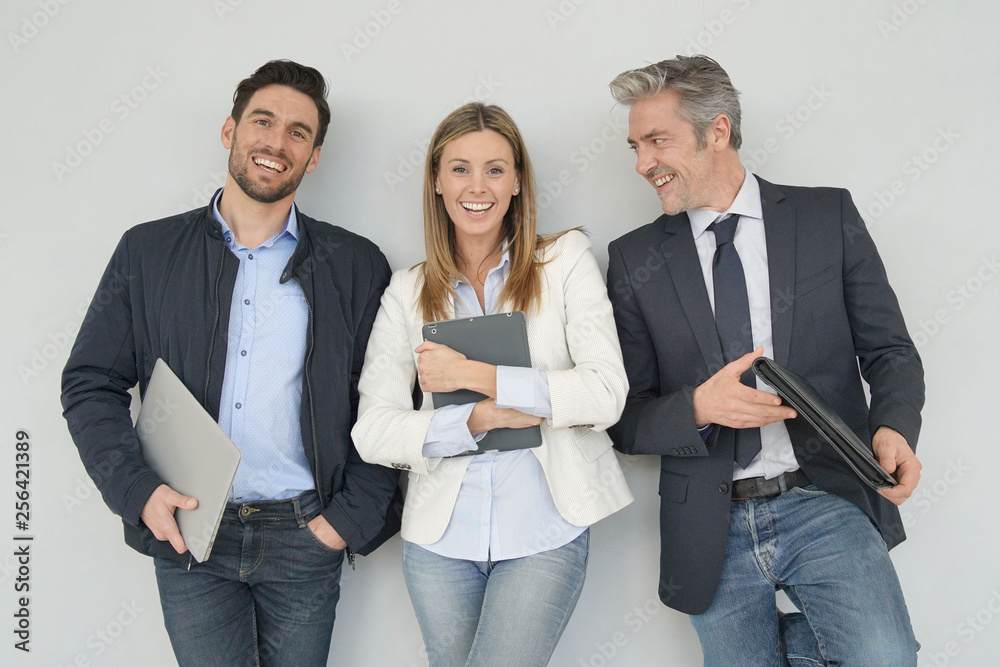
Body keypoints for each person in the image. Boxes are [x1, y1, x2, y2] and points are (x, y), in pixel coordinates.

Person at [61, 60, 401, 667]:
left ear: (314, 156)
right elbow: (90, 382)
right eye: (263, 122)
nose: (277, 142)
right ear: (230, 130)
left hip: (307, 534)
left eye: (299, 132)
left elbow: (391, 401)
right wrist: (138, 492)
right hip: (190, 534)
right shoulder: (148, 251)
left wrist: (347, 520)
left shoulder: (356, 265)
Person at [604, 55, 925, 666]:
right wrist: (698, 406)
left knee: (884, 659)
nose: (643, 164)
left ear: (717, 131)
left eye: (656, 141)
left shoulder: (825, 216)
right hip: (709, 523)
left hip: (826, 499)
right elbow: (625, 419)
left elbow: (891, 351)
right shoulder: (634, 259)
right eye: (635, 147)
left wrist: (893, 429)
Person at [352, 102, 633, 667]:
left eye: (495, 169)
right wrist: (472, 420)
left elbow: (606, 392)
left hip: (546, 529)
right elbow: (373, 432)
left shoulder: (565, 262)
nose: (476, 187)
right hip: (438, 543)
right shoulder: (406, 290)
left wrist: (477, 378)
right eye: (459, 168)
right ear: (435, 180)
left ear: (518, 181)